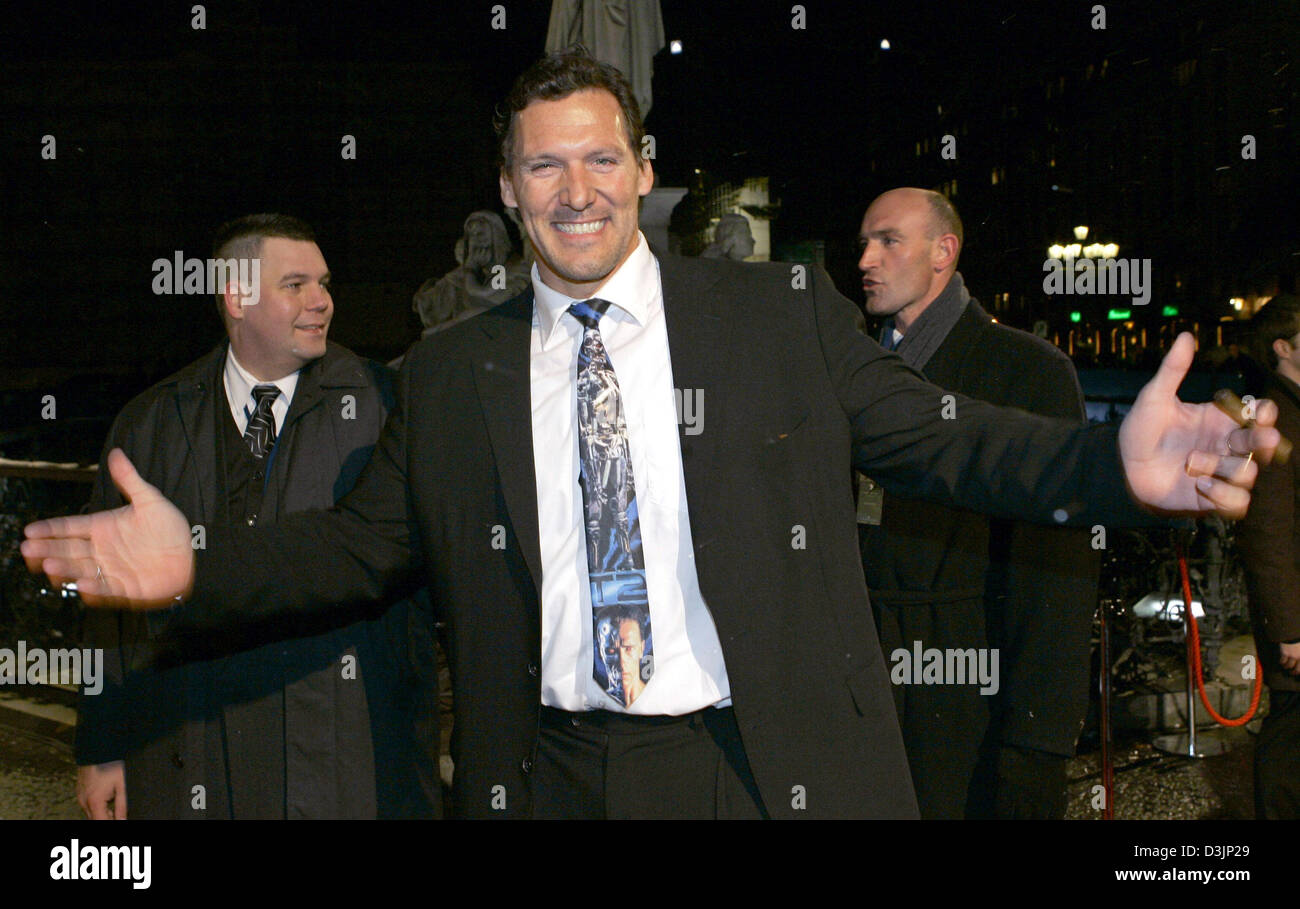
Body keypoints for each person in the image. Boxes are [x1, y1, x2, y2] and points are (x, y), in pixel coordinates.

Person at [25, 49, 1277, 820]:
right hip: (556, 772)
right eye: (544, 168)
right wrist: (199, 564)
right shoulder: (453, 372)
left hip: (759, 763)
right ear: (508, 189)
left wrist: (1110, 468)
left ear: (639, 168)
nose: (577, 191)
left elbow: (945, 440)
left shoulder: (774, 315)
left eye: (600, 159)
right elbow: (359, 549)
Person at [73, 214, 440, 820]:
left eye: (323, 283)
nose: (321, 301)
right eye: (295, 285)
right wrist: (103, 744)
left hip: (341, 768)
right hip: (187, 757)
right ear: (236, 296)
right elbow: (106, 611)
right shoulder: (149, 424)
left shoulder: (383, 407)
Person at [856, 188, 1100, 818]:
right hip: (862, 681)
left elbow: (1055, 569)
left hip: (968, 686)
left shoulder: (1027, 369)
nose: (866, 259)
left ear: (944, 252)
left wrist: (1037, 736)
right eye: (864, 243)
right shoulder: (852, 365)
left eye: (888, 240)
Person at [1236, 293, 1300, 819]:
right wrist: (1289, 630)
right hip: (1296, 615)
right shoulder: (1274, 418)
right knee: (1290, 731)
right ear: (1283, 347)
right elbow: (1267, 535)